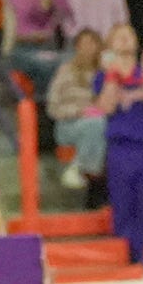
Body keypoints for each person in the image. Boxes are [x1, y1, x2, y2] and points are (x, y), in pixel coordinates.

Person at [97, 20, 143, 267]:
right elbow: (106, 105)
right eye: (119, 35)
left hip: (141, 147)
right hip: (119, 147)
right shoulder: (105, 74)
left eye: (129, 34)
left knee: (142, 203)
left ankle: (141, 256)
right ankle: (122, 257)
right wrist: (114, 74)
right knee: (122, 204)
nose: (125, 39)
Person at [49, 28, 109, 195]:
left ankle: (85, 172)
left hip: (100, 119)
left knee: (101, 124)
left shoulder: (105, 73)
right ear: (77, 47)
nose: (88, 48)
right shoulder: (65, 71)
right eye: (84, 44)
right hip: (69, 124)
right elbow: (53, 107)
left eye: (92, 44)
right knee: (96, 125)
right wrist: (80, 111)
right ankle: (82, 168)